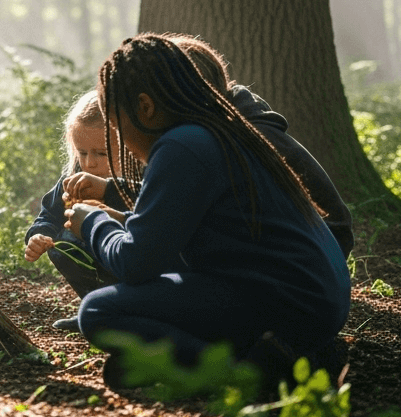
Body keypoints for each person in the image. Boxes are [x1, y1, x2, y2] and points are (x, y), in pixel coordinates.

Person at [66, 33, 350, 393]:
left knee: (98, 312)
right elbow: (181, 206)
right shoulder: (226, 128)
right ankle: (269, 353)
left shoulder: (181, 145)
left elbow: (135, 263)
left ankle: (246, 376)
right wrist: (111, 192)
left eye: (117, 127)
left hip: (287, 306)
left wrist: (92, 222)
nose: (121, 141)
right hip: (318, 303)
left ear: (145, 107)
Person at [64, 35, 354, 258]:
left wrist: (98, 224)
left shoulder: (232, 139)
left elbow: (177, 210)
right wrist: (111, 190)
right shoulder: (224, 129)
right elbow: (181, 196)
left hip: (313, 252)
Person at [22, 90, 121, 331]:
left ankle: (123, 309)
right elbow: (49, 214)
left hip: (126, 258)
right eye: (83, 152)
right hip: (91, 258)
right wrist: (38, 235)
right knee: (63, 244)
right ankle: (94, 307)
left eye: (101, 153)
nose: (90, 163)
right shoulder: (72, 179)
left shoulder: (135, 182)